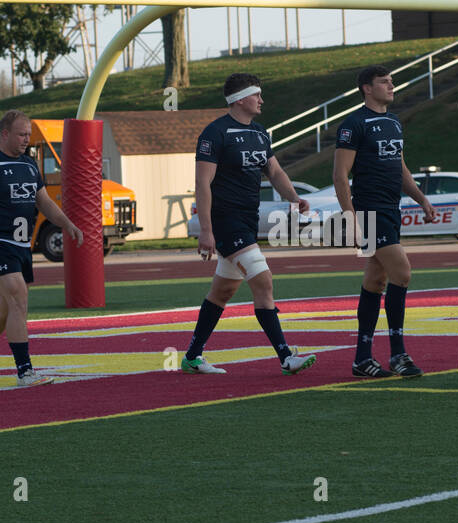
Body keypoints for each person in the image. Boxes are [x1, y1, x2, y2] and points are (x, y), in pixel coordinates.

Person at [182, 73, 317, 376]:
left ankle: (192, 356)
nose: (262, 100)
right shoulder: (215, 133)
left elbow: (275, 171)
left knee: (223, 292)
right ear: (241, 98)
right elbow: (203, 184)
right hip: (225, 219)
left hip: (247, 219)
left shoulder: (259, 132)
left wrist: (294, 197)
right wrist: (206, 230)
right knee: (263, 279)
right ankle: (285, 357)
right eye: (257, 95)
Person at [0, 109, 82, 387]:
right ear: (5, 134)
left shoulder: (29, 165)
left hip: (22, 245)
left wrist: (67, 224)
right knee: (18, 299)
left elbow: (44, 202)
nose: (27, 139)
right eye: (22, 134)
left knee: (7, 310)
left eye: (28, 134)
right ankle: (25, 372)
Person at [333, 65, 435, 378]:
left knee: (376, 280)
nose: (391, 86)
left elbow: (400, 168)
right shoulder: (354, 124)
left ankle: (362, 358)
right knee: (401, 273)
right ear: (367, 88)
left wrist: (421, 198)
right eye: (383, 82)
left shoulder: (393, 121)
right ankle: (398, 354)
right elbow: (340, 175)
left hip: (392, 209)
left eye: (391, 81)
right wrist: (351, 218)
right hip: (369, 210)